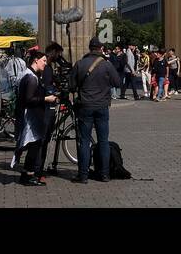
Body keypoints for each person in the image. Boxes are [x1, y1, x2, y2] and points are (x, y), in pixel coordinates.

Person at [69, 36, 122, 183]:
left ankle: (83, 175)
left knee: (84, 141)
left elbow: (71, 86)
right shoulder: (107, 65)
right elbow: (117, 82)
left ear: (89, 48)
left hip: (85, 106)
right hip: (102, 106)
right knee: (103, 141)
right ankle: (104, 174)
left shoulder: (80, 64)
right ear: (101, 49)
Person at [15, 47, 58, 187]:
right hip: (30, 117)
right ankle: (28, 175)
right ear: (36, 60)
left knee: (34, 145)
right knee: (35, 145)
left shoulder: (29, 74)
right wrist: (46, 98)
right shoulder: (31, 77)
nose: (45, 64)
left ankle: (27, 174)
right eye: (43, 61)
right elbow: (29, 99)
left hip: (28, 116)